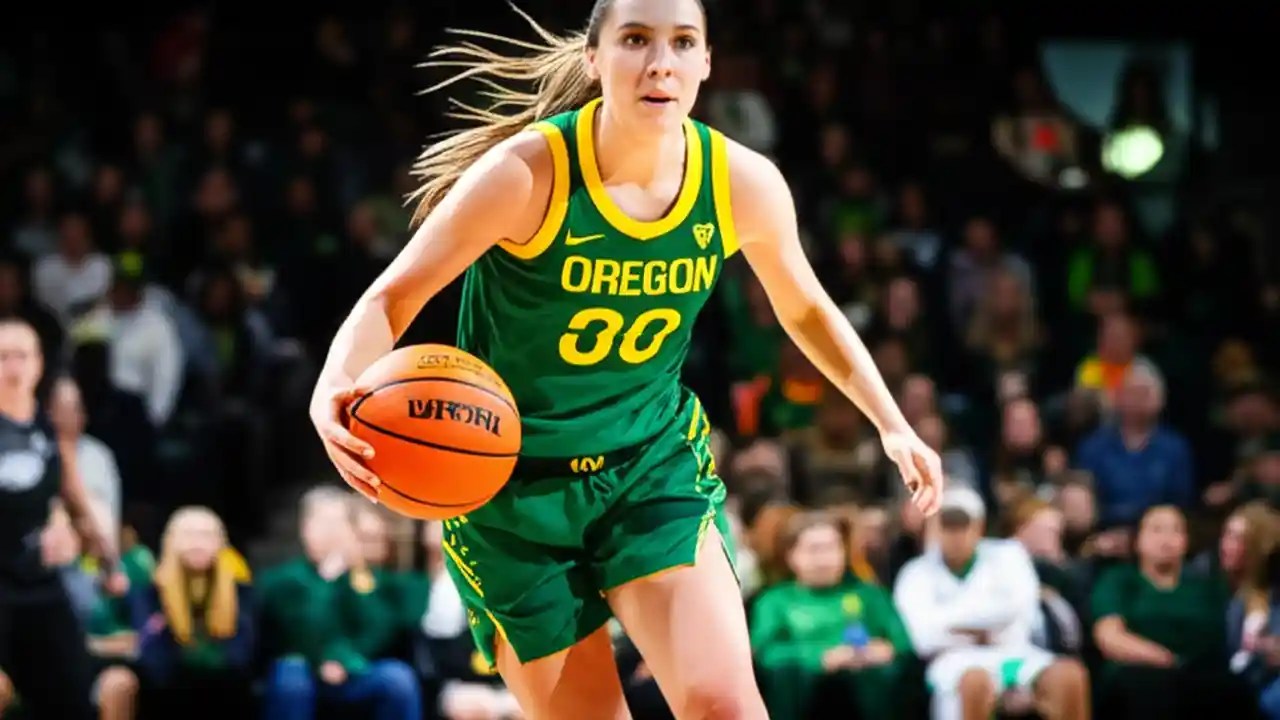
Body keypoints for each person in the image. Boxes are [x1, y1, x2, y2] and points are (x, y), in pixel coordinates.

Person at [309, 1, 944, 718]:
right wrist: (334, 382)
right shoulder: (524, 175)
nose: (659, 64)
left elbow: (806, 309)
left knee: (725, 706)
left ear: (707, 63)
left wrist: (890, 423)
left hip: (646, 469)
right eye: (635, 40)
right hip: (506, 490)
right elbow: (391, 300)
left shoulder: (741, 183)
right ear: (594, 58)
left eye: (682, 43)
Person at [0, 318, 124, 718]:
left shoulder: (49, 426)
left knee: (71, 696)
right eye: (3, 357)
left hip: (38, 581)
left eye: (22, 355)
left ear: (38, 363)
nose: (13, 367)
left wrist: (108, 562)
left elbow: (74, 497)